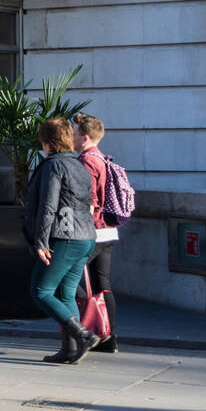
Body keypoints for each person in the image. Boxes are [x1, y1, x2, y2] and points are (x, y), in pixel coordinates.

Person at [23, 117, 99, 363]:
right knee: (66, 294)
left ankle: (83, 335)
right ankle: (70, 350)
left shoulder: (53, 166)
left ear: (47, 142)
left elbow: (48, 207)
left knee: (40, 290)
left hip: (63, 237)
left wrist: (41, 242)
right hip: (85, 237)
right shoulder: (79, 165)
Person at [74, 112, 120, 352]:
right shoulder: (103, 158)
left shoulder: (86, 161)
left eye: (74, 133)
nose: (71, 137)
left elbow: (89, 199)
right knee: (103, 285)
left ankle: (85, 332)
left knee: (66, 279)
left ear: (85, 137)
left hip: (93, 231)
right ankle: (109, 337)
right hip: (109, 231)